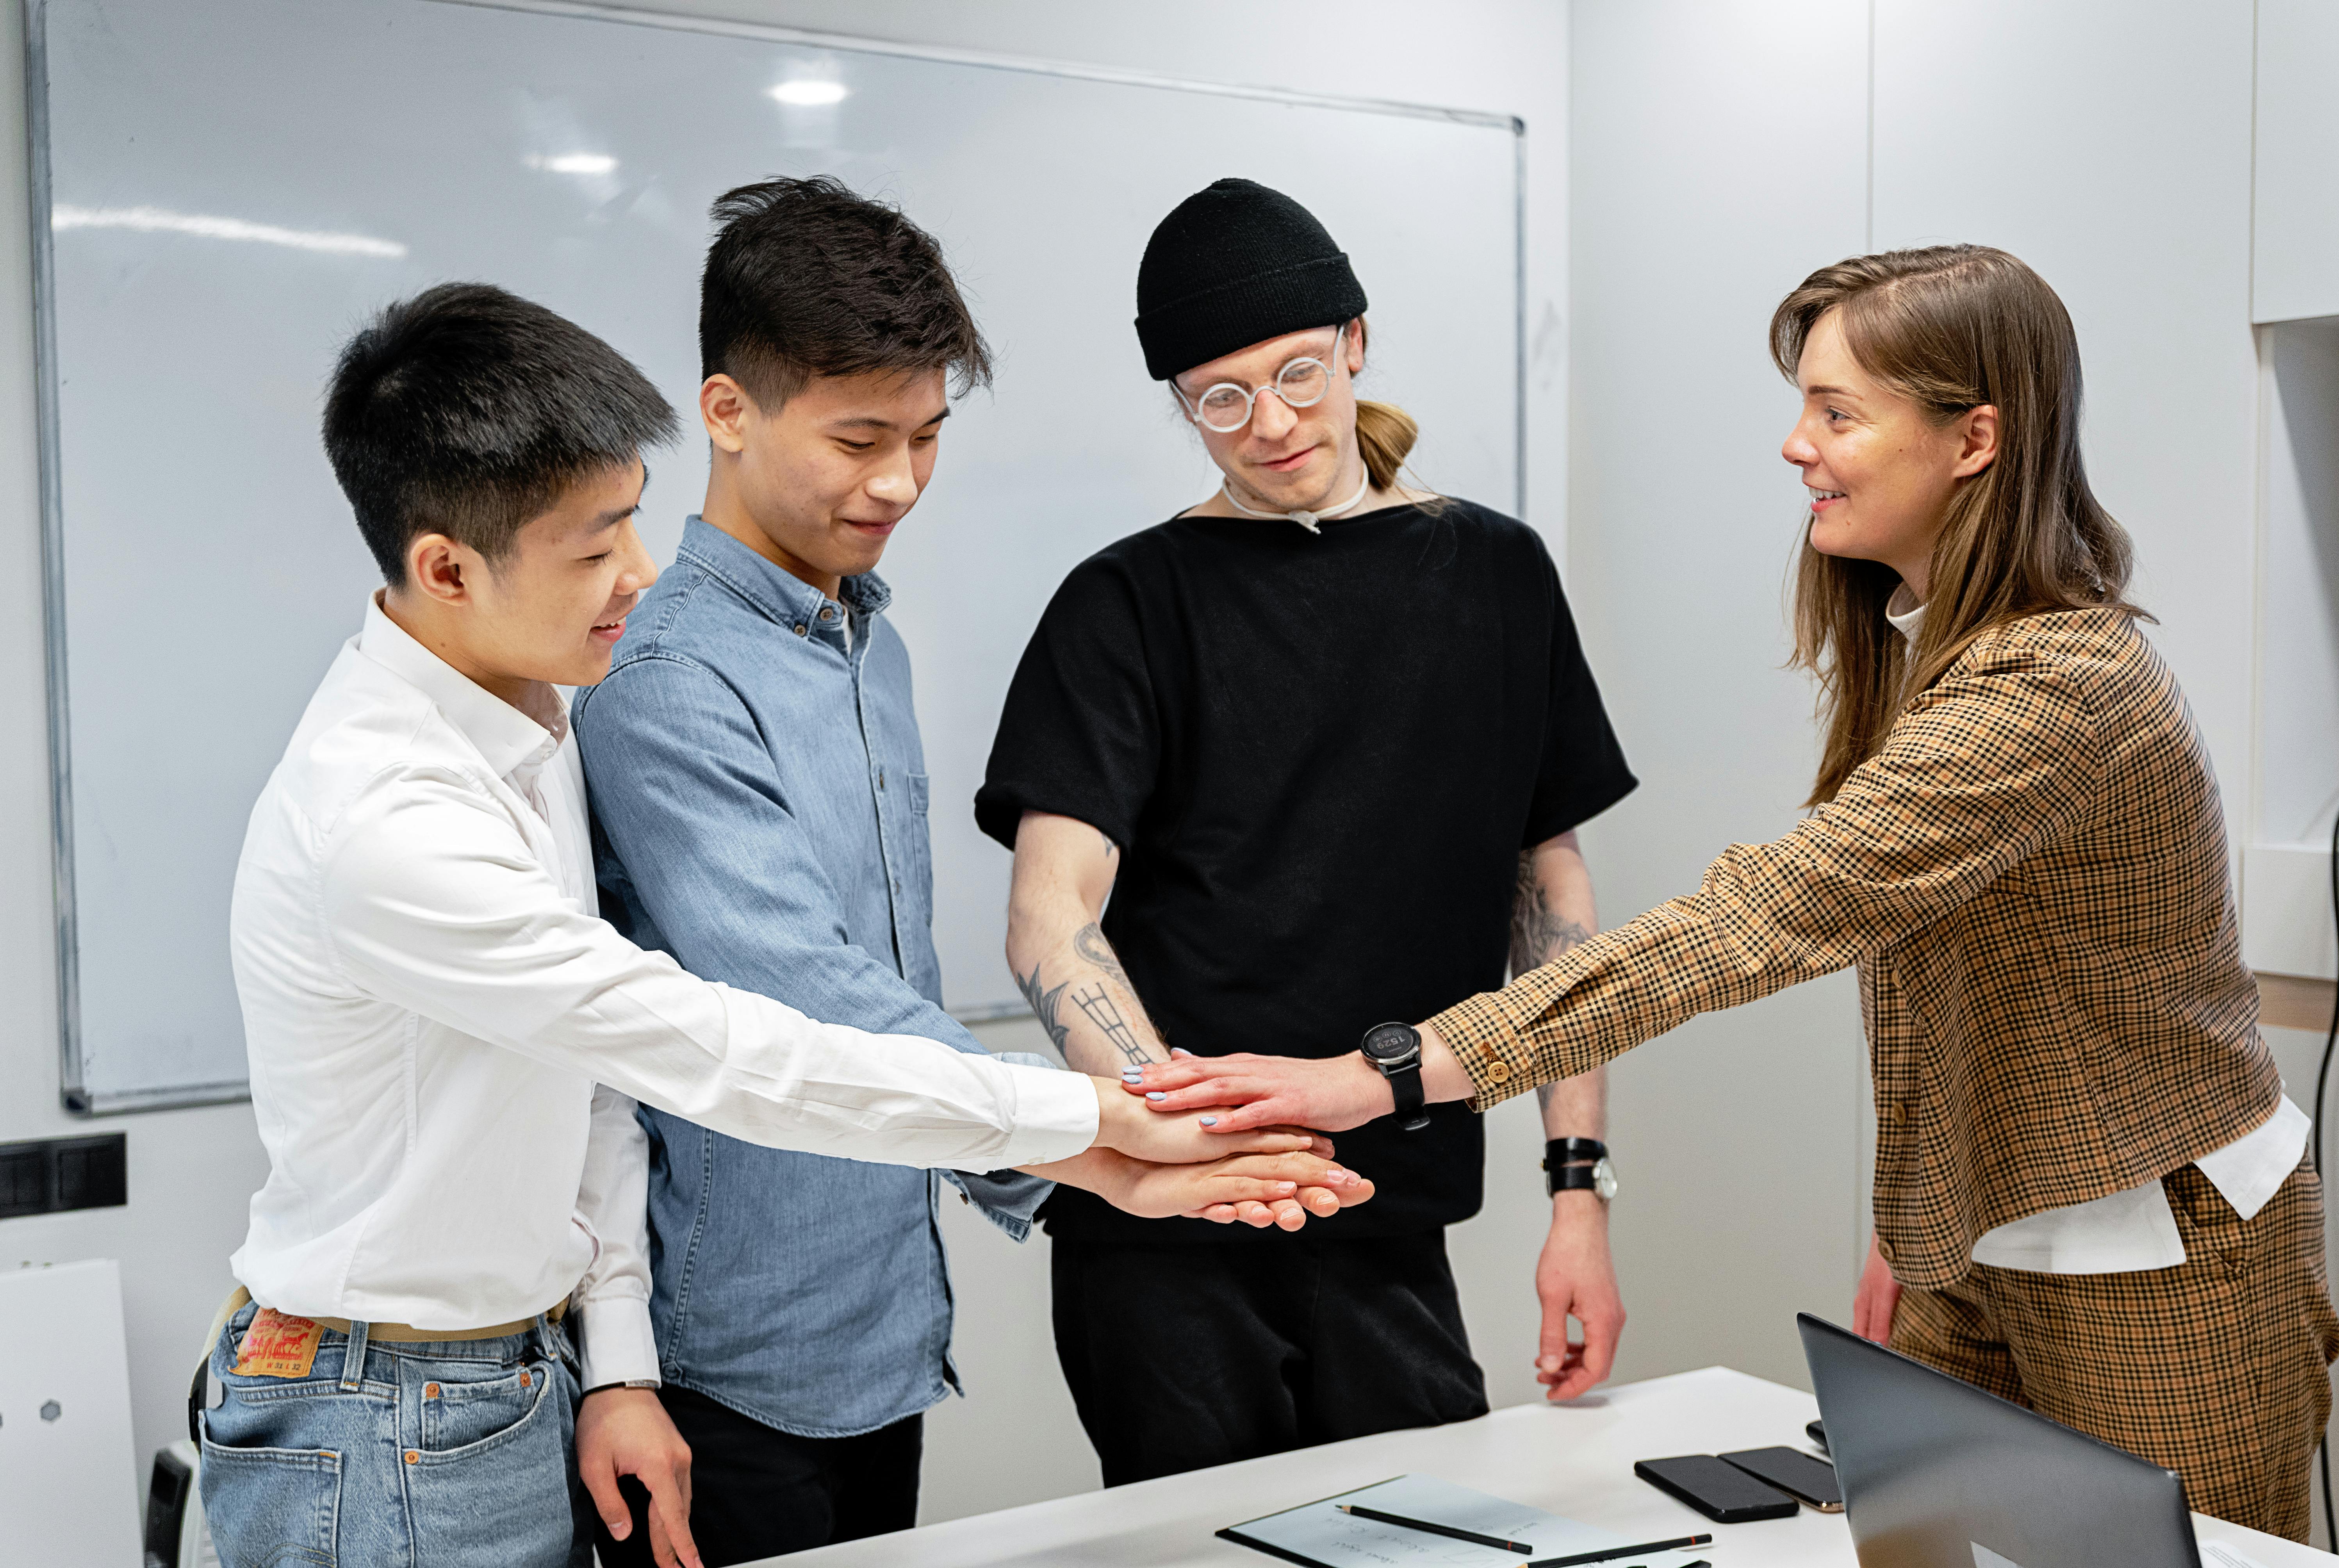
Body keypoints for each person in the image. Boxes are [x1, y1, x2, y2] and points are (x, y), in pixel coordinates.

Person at [1126, 244, 2339, 1539]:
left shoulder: (2055, 687)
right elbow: (1924, 957)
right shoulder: (1922, 642)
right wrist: (1924, 1218)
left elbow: (1760, 920)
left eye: (1836, 413)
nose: (1794, 446)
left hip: (2153, 1246)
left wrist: (1378, 1072)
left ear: (1974, 439)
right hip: (1979, 1237)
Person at [205, 282, 1370, 1568]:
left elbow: (584, 1083)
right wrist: (1093, 1128)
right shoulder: (394, 818)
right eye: (594, 549)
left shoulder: (520, 720)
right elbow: (712, 1046)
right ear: (446, 569)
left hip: (504, 1371)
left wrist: (612, 1359)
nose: (638, 577)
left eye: (631, 525)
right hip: (389, 1411)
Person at [571, 177, 1353, 1564]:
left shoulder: (866, 633)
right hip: (728, 1359)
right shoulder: (667, 674)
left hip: (883, 1323)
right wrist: (1095, 1146)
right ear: (729, 411)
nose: (898, 484)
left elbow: (887, 981)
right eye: (860, 439)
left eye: (927, 437)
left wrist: (1089, 1147)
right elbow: (803, 993)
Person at [975, 177, 1637, 1486]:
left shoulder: (1497, 574)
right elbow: (1054, 920)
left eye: (1295, 375)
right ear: (1178, 402)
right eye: (1220, 398)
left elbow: (1553, 905)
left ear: (1356, 341)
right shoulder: (1123, 604)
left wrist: (1579, 1191)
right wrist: (1198, 1143)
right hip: (1171, 1243)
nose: (1268, 425)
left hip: (1395, 1215)